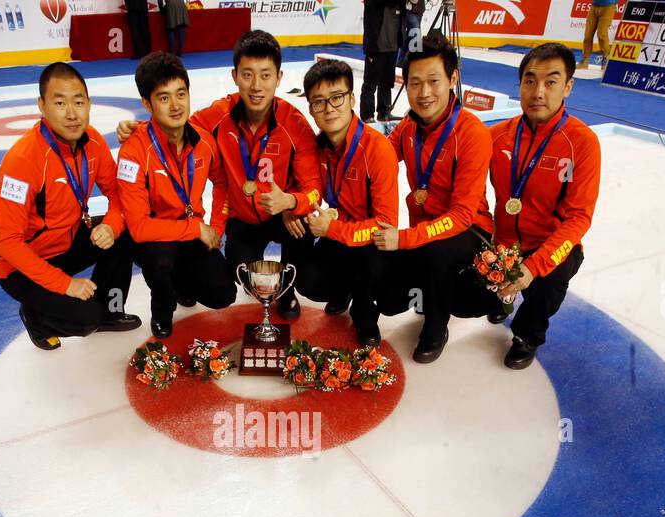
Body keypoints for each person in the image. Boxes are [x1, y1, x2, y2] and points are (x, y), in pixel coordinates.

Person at [118, 30, 322, 318]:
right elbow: (176, 123)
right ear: (234, 75)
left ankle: (286, 293)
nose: (256, 86)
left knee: (302, 230)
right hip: (241, 219)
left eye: (265, 75)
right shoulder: (218, 115)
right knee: (234, 279)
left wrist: (290, 202)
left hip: (282, 215)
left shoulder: (295, 124)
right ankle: (183, 287)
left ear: (279, 77)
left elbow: (315, 190)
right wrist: (137, 128)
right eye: (247, 75)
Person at [0, 62, 139, 351]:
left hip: (67, 240)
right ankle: (36, 317)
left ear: (89, 104)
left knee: (125, 232)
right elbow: (7, 242)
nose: (72, 114)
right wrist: (64, 284)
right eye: (59, 103)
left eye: (78, 102)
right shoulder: (22, 161)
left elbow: (118, 195)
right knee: (85, 320)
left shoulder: (93, 141)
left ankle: (110, 311)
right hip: (20, 265)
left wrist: (111, 223)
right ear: (42, 106)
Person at [373, 31, 497, 364]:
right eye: (415, 83)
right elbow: (377, 161)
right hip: (425, 233)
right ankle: (427, 294)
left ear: (452, 79)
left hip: (468, 232)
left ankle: (437, 325)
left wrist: (404, 238)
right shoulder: (408, 127)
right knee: (388, 296)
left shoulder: (471, 133)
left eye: (433, 81)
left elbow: (460, 216)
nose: (424, 93)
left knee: (438, 253)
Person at [487, 43, 601, 369]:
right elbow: (464, 186)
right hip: (502, 244)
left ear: (568, 86)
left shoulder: (582, 142)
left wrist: (533, 267)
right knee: (464, 291)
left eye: (551, 82)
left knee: (549, 283)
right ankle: (498, 297)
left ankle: (527, 335)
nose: (538, 92)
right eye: (530, 81)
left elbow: (579, 217)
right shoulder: (497, 136)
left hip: (551, 246)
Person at [116, 52, 236, 339]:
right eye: (164, 97)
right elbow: (139, 227)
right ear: (147, 103)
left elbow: (222, 185)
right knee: (161, 260)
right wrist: (196, 228)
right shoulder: (133, 151)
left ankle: (181, 285)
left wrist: (217, 227)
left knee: (223, 294)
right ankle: (162, 307)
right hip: (154, 238)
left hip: (190, 233)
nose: (175, 105)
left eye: (180, 94)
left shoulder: (204, 141)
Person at [295, 58, 399, 347]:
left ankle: (366, 313)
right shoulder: (315, 149)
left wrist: (333, 231)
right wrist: (290, 211)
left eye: (337, 98)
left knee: (376, 267)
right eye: (319, 102)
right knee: (308, 281)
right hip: (339, 233)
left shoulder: (377, 149)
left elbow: (385, 224)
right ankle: (343, 291)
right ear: (311, 109)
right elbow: (305, 191)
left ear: (352, 98)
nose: (329, 108)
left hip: (372, 242)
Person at [361, 0, 402, 122]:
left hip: (393, 45)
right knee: (370, 82)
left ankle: (384, 111)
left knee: (388, 81)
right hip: (376, 46)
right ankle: (367, 114)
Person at [579, 0, 617, 71]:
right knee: (587, 35)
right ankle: (585, 61)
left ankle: (605, 59)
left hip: (608, 7)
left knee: (602, 34)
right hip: (594, 6)